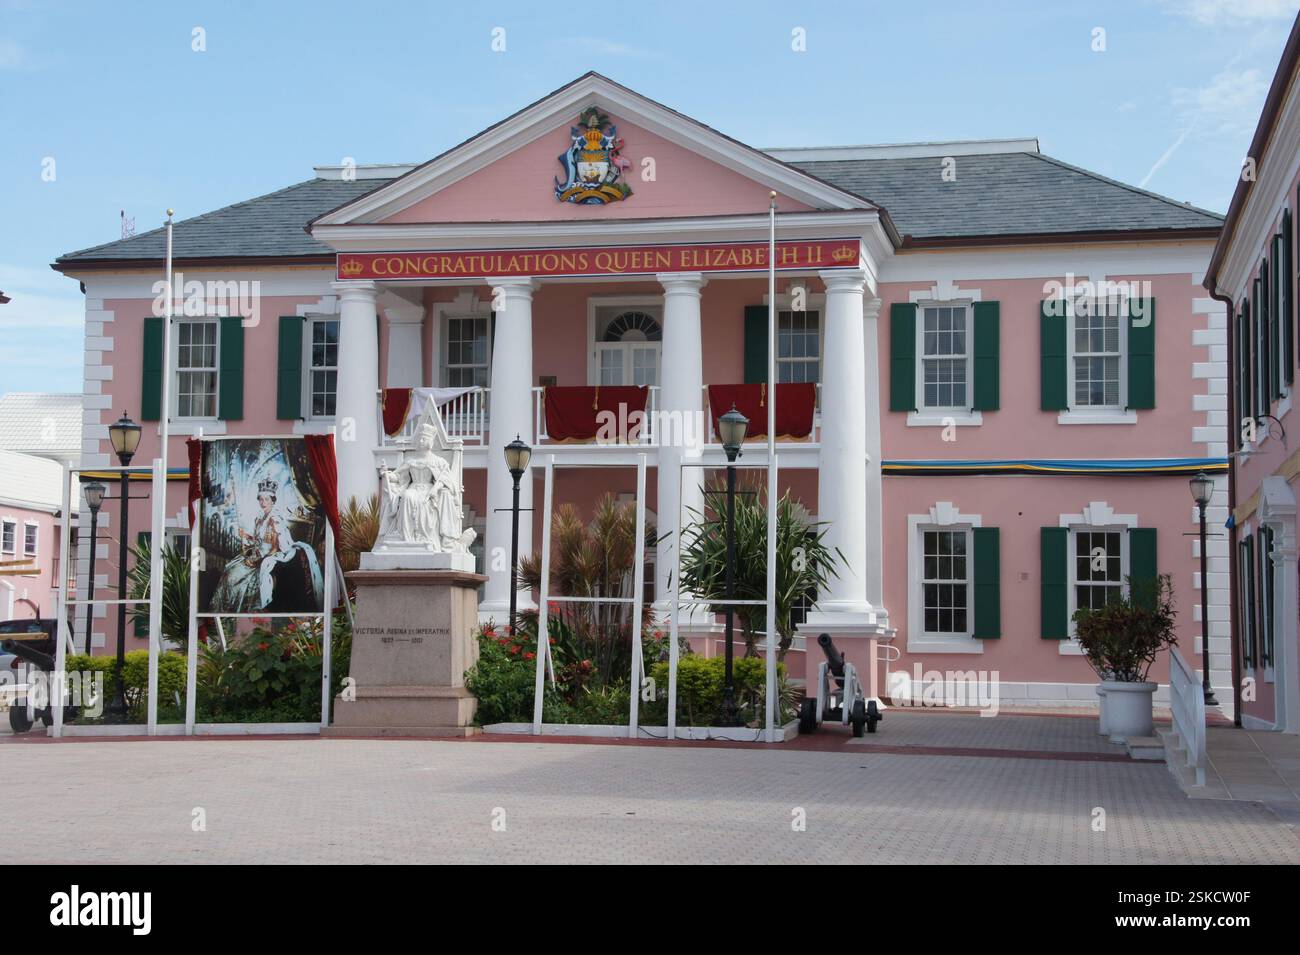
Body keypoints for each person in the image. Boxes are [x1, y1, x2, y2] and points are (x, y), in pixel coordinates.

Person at [212, 479, 323, 612]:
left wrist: (255, 561)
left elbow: (274, 548)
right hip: (256, 554)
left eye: (267, 499)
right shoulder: (259, 519)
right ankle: (223, 612)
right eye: (261, 499)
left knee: (235, 577)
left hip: (268, 556)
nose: (263, 502)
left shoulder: (274, 520)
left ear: (273, 500)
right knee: (230, 570)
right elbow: (260, 541)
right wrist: (246, 536)